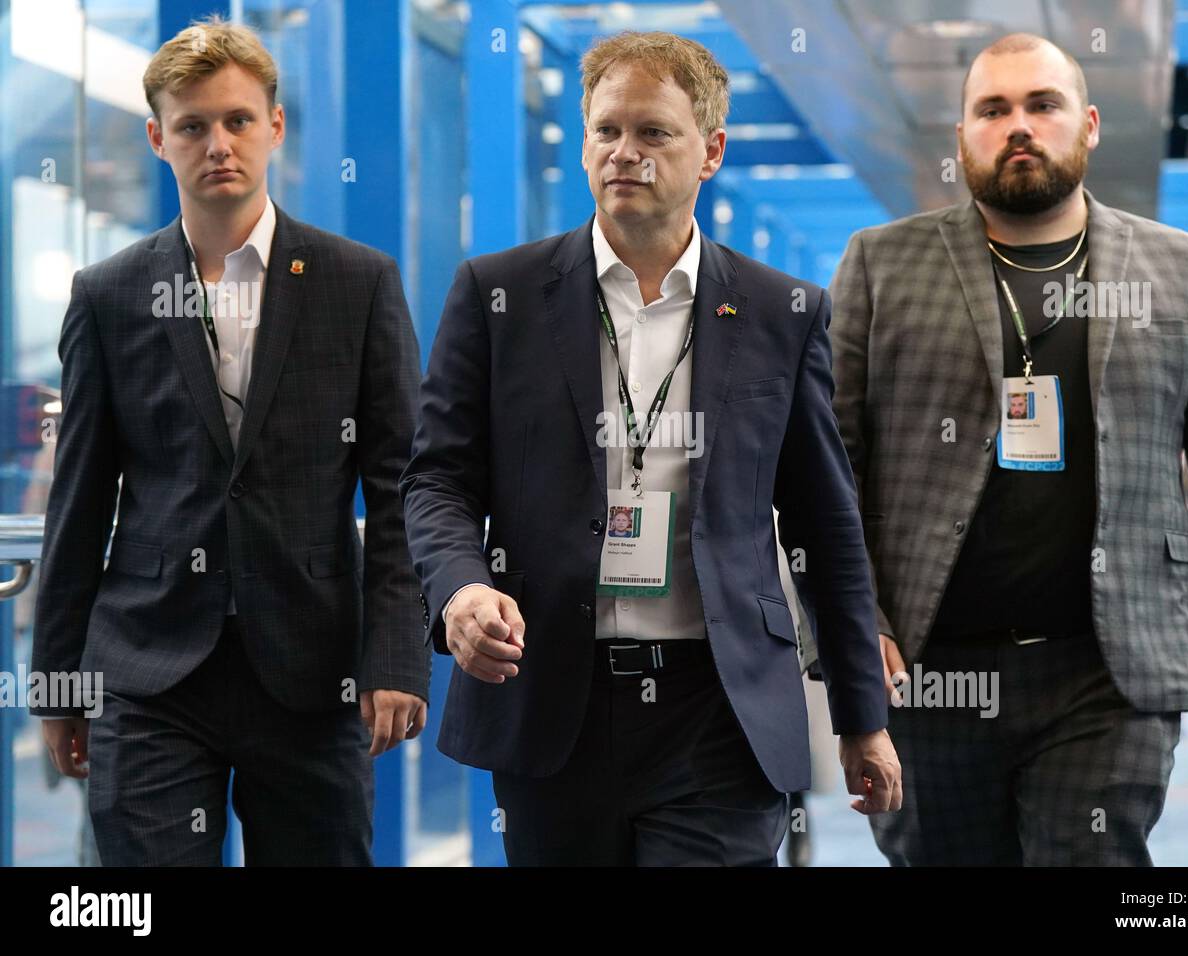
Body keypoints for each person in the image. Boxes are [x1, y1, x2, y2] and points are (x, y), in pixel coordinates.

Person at [401, 30, 900, 866]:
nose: (623, 153)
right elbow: (438, 479)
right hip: (553, 693)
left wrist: (862, 716)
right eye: (606, 131)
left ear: (710, 152)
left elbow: (824, 522)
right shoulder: (500, 297)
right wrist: (459, 591)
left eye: (653, 133)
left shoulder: (784, 313)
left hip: (719, 706)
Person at [830, 32, 1188, 865]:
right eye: (993, 109)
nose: (1019, 126)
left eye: (1043, 104)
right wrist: (855, 630)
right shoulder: (879, 266)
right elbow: (830, 470)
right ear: (962, 135)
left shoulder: (1186, 269)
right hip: (928, 676)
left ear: (1091, 124)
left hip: (1109, 673)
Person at [30, 16, 430, 866]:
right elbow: (79, 498)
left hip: (314, 670)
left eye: (239, 120)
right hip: (148, 670)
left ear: (275, 128)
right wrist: (57, 680)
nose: (220, 143)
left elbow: (399, 489)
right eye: (193, 125)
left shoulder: (358, 283)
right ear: (157, 139)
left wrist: (396, 654)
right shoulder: (107, 294)